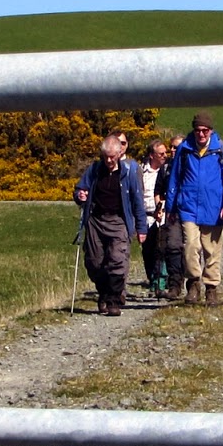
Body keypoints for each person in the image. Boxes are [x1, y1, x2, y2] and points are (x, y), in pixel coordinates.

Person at [163, 112, 223, 304]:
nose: (201, 134)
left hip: (214, 209)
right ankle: (193, 284)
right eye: (197, 130)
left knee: (211, 250)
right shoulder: (184, 149)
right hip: (188, 206)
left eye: (205, 130)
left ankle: (211, 288)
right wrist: (171, 207)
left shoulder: (221, 150)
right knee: (191, 246)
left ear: (210, 131)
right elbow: (175, 178)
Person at [73, 134, 148, 315]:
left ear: (119, 153)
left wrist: (141, 228)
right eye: (105, 156)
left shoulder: (128, 172)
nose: (108, 160)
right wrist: (80, 195)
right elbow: (80, 189)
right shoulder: (94, 170)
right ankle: (104, 293)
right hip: (96, 221)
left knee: (117, 260)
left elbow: (137, 201)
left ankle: (114, 300)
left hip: (118, 221)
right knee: (94, 261)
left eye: (112, 157)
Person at [154, 134, 186, 296]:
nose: (172, 150)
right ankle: (174, 285)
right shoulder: (165, 168)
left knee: (191, 249)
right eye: (171, 147)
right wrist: (159, 207)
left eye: (176, 147)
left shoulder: (191, 165)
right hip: (172, 212)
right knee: (172, 247)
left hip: (189, 212)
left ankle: (191, 281)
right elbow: (158, 190)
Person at [138, 139, 169, 296]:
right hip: (145, 216)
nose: (165, 156)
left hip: (162, 215)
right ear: (152, 155)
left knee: (161, 249)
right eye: (161, 153)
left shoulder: (167, 171)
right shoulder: (142, 172)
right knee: (147, 250)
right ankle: (152, 279)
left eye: (166, 153)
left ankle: (161, 281)